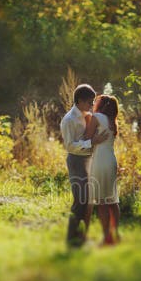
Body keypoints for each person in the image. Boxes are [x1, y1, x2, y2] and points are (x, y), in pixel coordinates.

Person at [60, 84, 110, 246]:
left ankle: (82, 238)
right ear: (79, 101)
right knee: (80, 201)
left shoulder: (87, 114)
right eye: (89, 102)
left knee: (88, 201)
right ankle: (71, 239)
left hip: (89, 160)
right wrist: (92, 141)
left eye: (93, 101)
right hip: (76, 160)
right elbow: (69, 145)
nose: (91, 105)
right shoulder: (69, 120)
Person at [84, 94, 120, 245]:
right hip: (111, 160)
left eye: (96, 102)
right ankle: (116, 234)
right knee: (112, 199)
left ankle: (107, 237)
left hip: (99, 160)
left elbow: (87, 137)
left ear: (101, 105)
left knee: (101, 201)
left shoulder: (97, 117)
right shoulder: (113, 122)